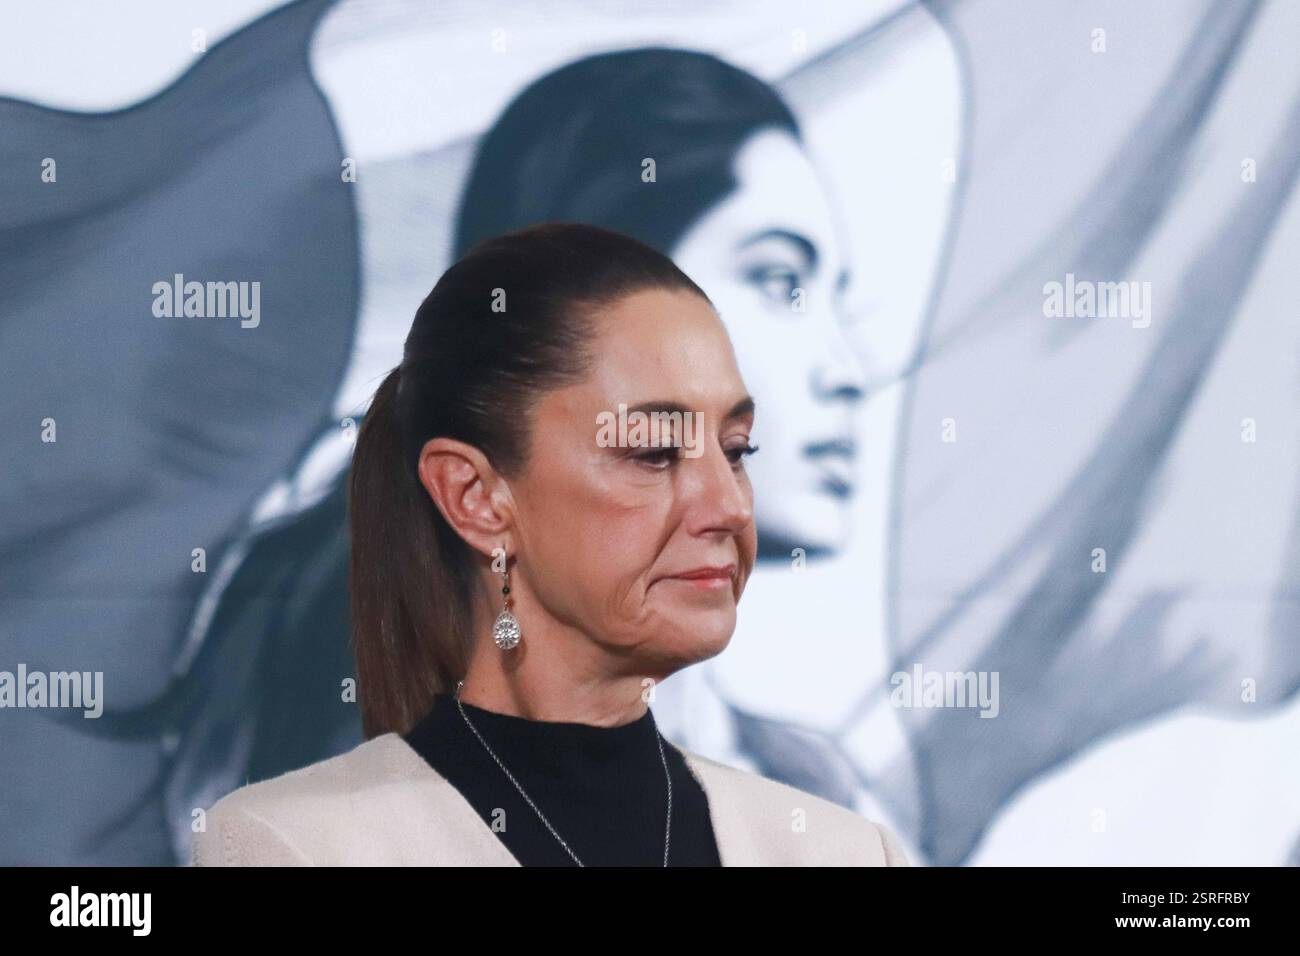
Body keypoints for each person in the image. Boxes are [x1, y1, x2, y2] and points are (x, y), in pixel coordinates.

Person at [191, 222, 908, 866]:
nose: (727, 505)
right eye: (654, 451)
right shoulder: (297, 848)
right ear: (476, 498)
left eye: (736, 449)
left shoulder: (842, 851)